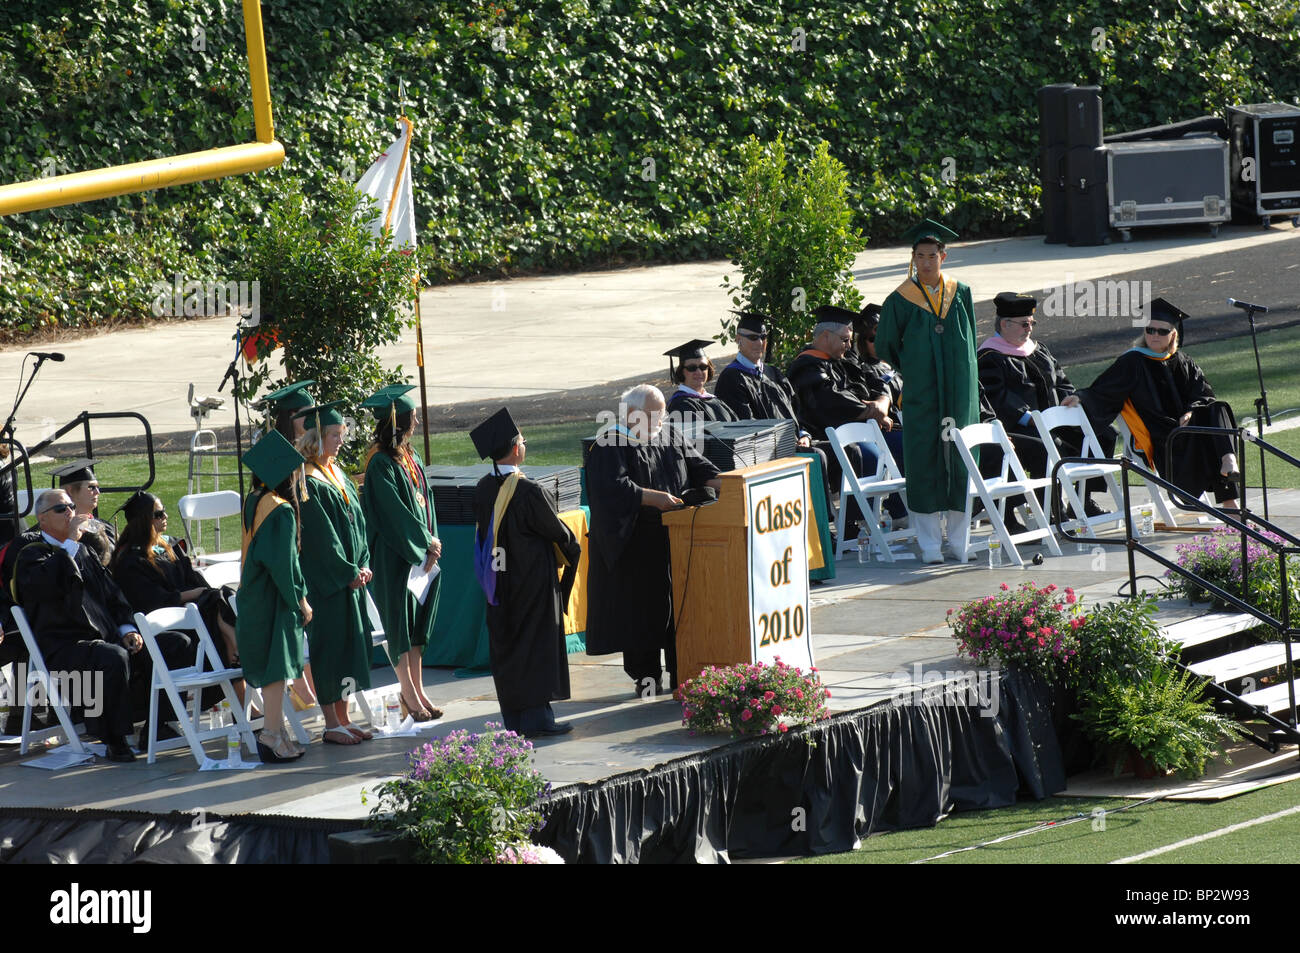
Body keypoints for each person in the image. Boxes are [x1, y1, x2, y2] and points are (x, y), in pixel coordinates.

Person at [13, 489, 193, 762]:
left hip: (107, 638)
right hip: (66, 646)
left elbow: (114, 597)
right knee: (113, 656)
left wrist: (127, 629)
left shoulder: (84, 551)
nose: (71, 512)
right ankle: (115, 740)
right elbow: (47, 587)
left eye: (72, 506)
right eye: (62, 509)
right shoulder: (31, 555)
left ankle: (156, 726)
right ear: (42, 519)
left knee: (177, 643)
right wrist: (70, 544)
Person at [585, 384, 721, 694]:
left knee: (680, 609)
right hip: (636, 545)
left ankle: (682, 673)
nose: (660, 420)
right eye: (653, 414)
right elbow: (612, 491)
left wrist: (730, 484)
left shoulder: (669, 434)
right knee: (643, 616)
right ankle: (647, 679)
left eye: (662, 414)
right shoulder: (609, 444)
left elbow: (699, 469)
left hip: (676, 539)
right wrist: (654, 498)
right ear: (631, 414)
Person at [471, 407, 582, 738]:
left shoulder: (482, 488)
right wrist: (573, 547)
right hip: (532, 583)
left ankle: (515, 718)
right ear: (515, 448)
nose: (525, 444)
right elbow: (560, 535)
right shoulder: (530, 491)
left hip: (498, 583)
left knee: (508, 644)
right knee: (535, 645)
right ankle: (537, 719)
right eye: (523, 440)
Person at [877, 218, 980, 563]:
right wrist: (916, 369)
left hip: (959, 392)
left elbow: (969, 342)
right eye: (919, 256)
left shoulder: (960, 292)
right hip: (923, 396)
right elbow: (886, 345)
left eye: (931, 256)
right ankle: (931, 546)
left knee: (960, 463)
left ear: (943, 257)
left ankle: (959, 544)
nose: (925, 262)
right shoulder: (900, 299)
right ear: (913, 258)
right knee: (923, 463)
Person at [1080, 298, 1240, 510]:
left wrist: (1192, 411)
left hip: (1186, 430)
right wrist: (1081, 397)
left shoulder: (1183, 361)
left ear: (1174, 334)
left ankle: (1229, 468)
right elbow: (1103, 390)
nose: (1155, 335)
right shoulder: (1132, 361)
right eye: (1150, 330)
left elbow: (1203, 393)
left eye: (1162, 331)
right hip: (1164, 438)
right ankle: (1230, 496)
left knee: (1217, 409)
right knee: (1211, 434)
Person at [977, 292, 1114, 529]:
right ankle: (1042, 511)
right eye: (1024, 324)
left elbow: (1061, 381)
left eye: (1032, 323)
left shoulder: (1038, 350)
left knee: (1104, 433)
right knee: (1046, 446)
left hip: (1053, 422)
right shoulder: (990, 357)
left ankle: (1082, 499)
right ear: (1004, 324)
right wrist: (1028, 418)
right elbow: (996, 397)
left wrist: (1070, 400)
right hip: (1016, 427)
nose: (1029, 329)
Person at [359, 384, 443, 721]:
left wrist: (432, 541)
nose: (418, 423)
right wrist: (424, 542)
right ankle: (407, 694)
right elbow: (394, 514)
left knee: (417, 625)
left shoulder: (411, 457)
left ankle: (418, 690)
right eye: (413, 418)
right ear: (401, 422)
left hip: (421, 555)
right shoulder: (380, 463)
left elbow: (427, 501)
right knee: (400, 625)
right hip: (396, 556)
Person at [294, 401, 374, 745]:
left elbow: (358, 524)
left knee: (350, 648)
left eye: (342, 434)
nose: (341, 440)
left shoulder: (336, 472)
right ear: (316, 437)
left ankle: (344, 717)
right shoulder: (307, 479)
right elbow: (322, 538)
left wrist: (364, 562)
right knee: (330, 649)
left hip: (352, 578)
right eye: (334, 435)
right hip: (327, 583)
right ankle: (330, 722)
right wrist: (347, 571)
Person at [786, 305, 904, 530]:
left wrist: (881, 402)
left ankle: (901, 513)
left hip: (863, 430)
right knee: (871, 455)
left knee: (905, 443)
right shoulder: (806, 366)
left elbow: (874, 382)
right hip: (831, 436)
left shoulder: (842, 360)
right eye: (844, 340)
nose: (850, 345)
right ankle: (856, 524)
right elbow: (832, 402)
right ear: (825, 336)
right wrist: (873, 412)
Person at [715, 310, 837, 521]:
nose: (759, 342)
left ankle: (853, 526)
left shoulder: (773, 373)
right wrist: (788, 439)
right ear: (737, 339)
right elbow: (745, 424)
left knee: (848, 450)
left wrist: (803, 432)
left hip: (795, 441)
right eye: (752, 337)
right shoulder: (731, 378)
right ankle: (822, 528)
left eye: (763, 337)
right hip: (766, 449)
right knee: (818, 456)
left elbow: (796, 409)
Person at [237, 431, 311, 763]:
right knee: (276, 667)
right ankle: (269, 733)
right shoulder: (280, 511)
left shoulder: (254, 499)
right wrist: (301, 599)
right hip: (273, 598)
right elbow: (285, 565)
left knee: (273, 667)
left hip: (254, 595)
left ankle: (277, 730)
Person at [110, 491, 239, 668]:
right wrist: (192, 594)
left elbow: (192, 579)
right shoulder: (130, 561)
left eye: (164, 511)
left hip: (193, 613)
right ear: (143, 520)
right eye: (158, 514)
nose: (165, 516)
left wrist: (198, 593)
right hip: (170, 623)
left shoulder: (171, 547)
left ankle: (234, 645)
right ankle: (235, 646)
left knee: (223, 596)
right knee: (217, 619)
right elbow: (152, 601)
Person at [50, 459, 115, 567]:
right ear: (70, 491)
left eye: (97, 487)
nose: (97, 492)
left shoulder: (106, 527)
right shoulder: (56, 533)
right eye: (91, 487)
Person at [663, 339, 739, 424]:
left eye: (703, 367)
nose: (699, 372)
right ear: (681, 371)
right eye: (692, 368)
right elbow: (695, 436)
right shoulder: (680, 404)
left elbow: (737, 425)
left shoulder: (715, 400)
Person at [258, 380, 315, 444]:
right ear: (291, 416)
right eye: (307, 413)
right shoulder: (276, 447)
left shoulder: (315, 447)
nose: (313, 418)